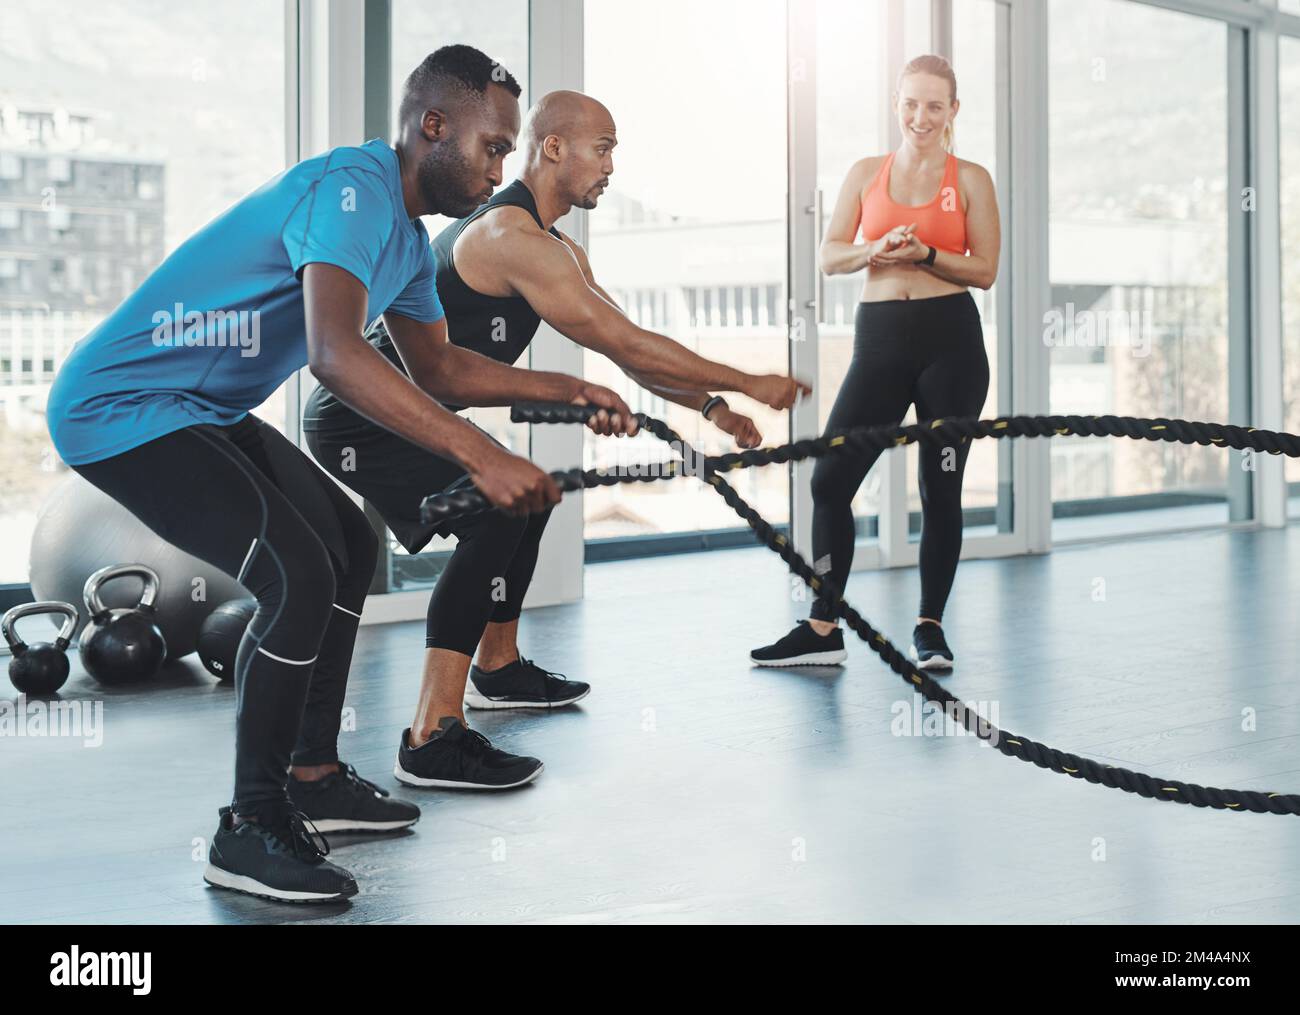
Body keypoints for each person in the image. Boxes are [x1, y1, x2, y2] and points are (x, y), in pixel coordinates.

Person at [44, 45, 636, 904]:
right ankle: (248, 825)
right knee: (296, 570)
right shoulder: (352, 192)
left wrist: (566, 389)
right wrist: (481, 455)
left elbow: (441, 369)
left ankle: (314, 776)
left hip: (199, 407)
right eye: (492, 146)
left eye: (509, 150)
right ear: (432, 125)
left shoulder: (405, 236)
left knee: (349, 544)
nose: (500, 167)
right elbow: (334, 353)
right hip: (122, 405)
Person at [303, 89, 811, 791]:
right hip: (361, 411)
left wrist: (714, 406)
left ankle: (500, 668)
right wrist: (752, 379)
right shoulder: (509, 238)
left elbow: (627, 348)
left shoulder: (556, 247)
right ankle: (431, 734)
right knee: (495, 506)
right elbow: (630, 342)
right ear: (552, 148)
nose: (609, 167)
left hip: (401, 406)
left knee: (529, 495)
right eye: (601, 149)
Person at [750, 54, 1000, 673]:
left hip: (952, 345)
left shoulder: (970, 178)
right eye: (911, 103)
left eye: (935, 105)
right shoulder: (866, 173)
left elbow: (986, 270)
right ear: (897, 103)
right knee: (829, 481)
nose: (921, 116)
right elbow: (831, 255)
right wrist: (873, 251)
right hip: (881, 342)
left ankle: (930, 627)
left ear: (953, 111)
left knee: (939, 487)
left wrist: (927, 252)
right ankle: (822, 626)